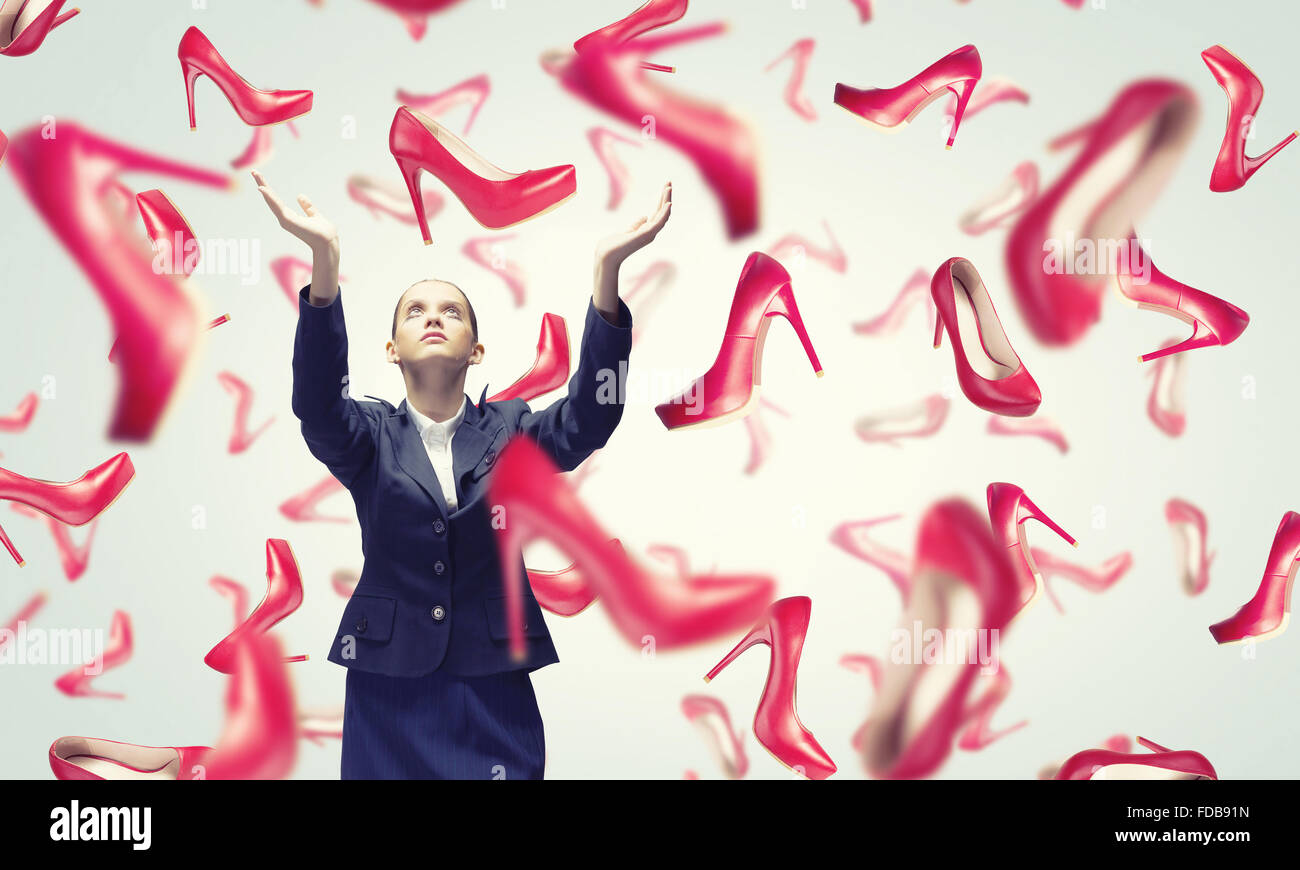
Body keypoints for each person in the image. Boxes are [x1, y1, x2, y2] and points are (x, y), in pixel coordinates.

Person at [253, 168, 672, 779]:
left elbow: (590, 417)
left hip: (492, 686)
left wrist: (606, 276)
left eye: (451, 311)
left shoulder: (513, 429)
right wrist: (325, 262)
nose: (433, 317)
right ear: (391, 350)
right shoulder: (369, 437)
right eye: (414, 311)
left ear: (476, 350)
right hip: (388, 688)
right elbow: (316, 405)